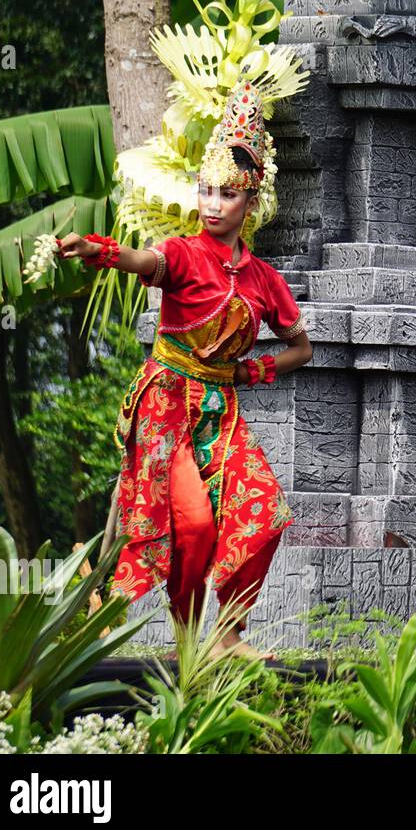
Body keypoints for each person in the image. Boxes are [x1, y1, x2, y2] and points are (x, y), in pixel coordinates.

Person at [60, 82, 312, 660]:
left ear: (251, 201)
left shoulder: (265, 279)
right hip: (167, 404)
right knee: (193, 525)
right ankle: (186, 637)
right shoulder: (182, 252)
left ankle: (229, 634)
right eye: (206, 191)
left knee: (265, 513)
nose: (212, 204)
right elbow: (141, 260)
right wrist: (100, 251)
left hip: (222, 409)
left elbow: (302, 348)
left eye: (227, 193)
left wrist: (252, 372)